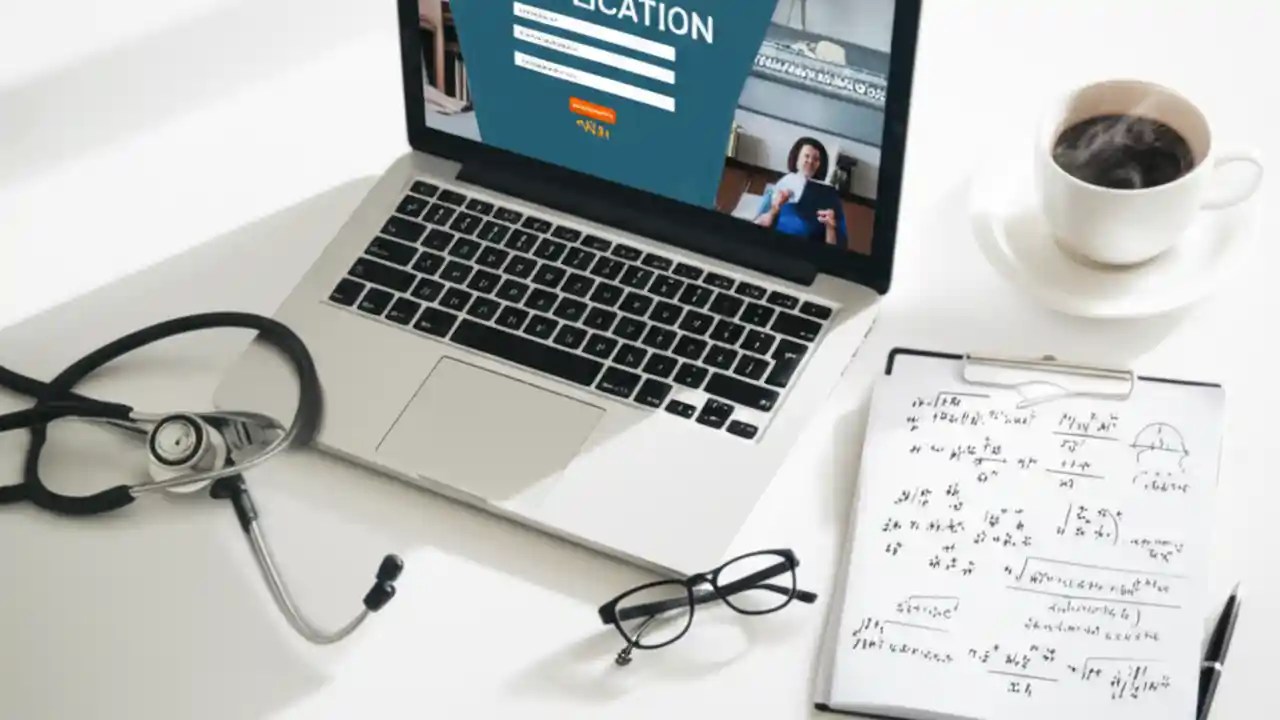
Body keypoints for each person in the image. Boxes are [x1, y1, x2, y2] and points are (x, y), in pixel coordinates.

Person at [753, 137, 848, 247]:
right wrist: (774, 210)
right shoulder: (779, 188)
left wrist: (830, 228)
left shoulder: (830, 196)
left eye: (816, 159)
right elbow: (755, 230)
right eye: (806, 156)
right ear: (797, 159)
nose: (810, 161)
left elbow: (837, 251)